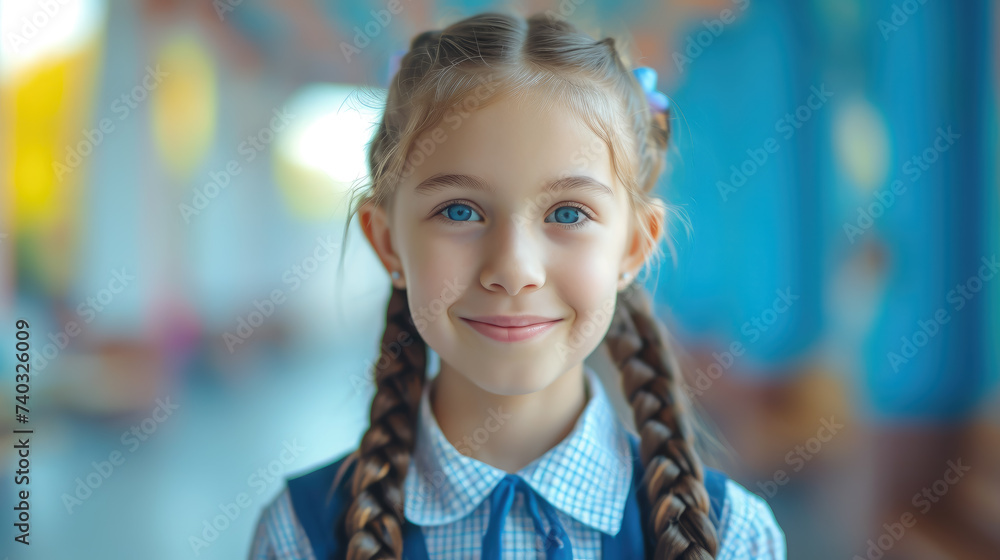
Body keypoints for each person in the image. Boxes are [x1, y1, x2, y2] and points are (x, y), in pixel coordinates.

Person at [249, 11, 785, 560]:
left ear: (632, 247)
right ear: (388, 244)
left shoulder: (737, 537)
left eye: (569, 214)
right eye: (459, 210)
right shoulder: (300, 535)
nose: (513, 267)